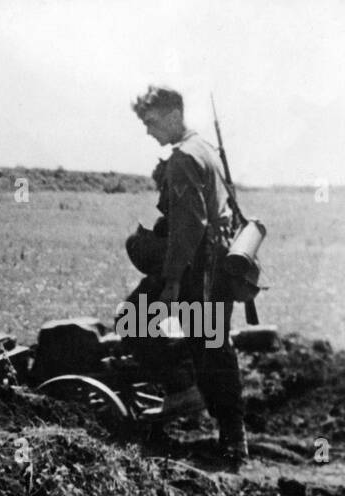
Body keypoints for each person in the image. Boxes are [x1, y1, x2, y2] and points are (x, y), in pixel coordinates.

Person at [131, 85, 248, 467]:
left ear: (173, 116)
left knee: (133, 319)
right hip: (216, 267)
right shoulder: (204, 149)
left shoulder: (184, 158)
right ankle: (233, 439)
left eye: (150, 122)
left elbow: (187, 227)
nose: (148, 131)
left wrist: (172, 284)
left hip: (197, 271)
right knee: (214, 345)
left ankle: (182, 387)